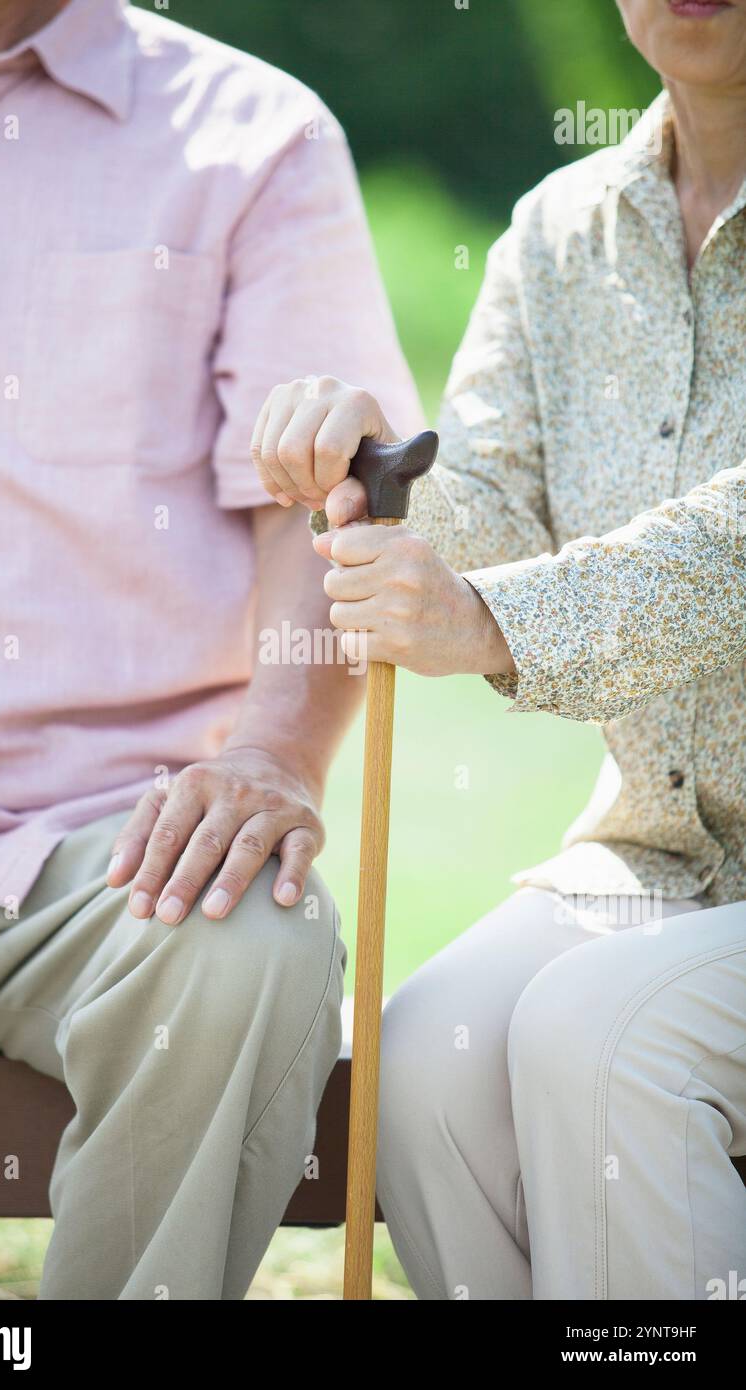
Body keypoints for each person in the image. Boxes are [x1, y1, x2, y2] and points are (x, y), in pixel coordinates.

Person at [0, 0, 422, 1299]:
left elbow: (323, 499)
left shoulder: (253, 136)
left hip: (93, 843)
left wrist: (279, 751)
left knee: (245, 942)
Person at [253, 0, 746, 1301]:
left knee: (604, 1031)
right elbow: (484, 500)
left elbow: (730, 547)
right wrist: (374, 468)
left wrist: (488, 622)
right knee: (423, 1051)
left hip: (688, 923)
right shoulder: (558, 228)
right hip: (663, 853)